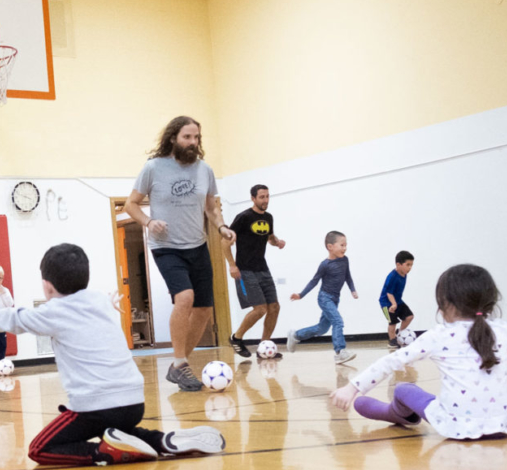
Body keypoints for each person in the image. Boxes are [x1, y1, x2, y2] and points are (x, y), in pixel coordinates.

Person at [0, 243, 226, 465]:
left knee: (40, 448)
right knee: (116, 430)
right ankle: (162, 441)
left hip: (95, 408)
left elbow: (12, 318)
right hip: (134, 403)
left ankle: (105, 454)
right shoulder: (99, 301)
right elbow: (101, 301)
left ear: (47, 285)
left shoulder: (53, 312)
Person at [329, 263, 507, 438]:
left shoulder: (437, 335)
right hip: (504, 422)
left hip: (453, 426)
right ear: (489, 302)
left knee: (403, 389)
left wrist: (353, 388)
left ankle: (395, 414)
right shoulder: (501, 329)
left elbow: (390, 362)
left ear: (444, 304)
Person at [125, 116, 235, 392]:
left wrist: (221, 226)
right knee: (185, 297)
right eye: (187, 137)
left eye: (196, 137)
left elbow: (211, 207)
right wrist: (149, 222)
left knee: (204, 309)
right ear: (173, 138)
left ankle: (178, 365)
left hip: (197, 245)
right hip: (165, 246)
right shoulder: (153, 168)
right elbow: (131, 204)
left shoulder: (204, 170)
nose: (193, 143)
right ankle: (180, 362)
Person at [222, 184, 286, 358]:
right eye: (261, 197)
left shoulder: (269, 218)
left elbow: (270, 237)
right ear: (253, 198)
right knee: (260, 309)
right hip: (244, 270)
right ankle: (236, 338)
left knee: (274, 307)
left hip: (263, 269)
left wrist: (277, 242)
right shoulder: (243, 217)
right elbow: (225, 241)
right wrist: (232, 265)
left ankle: (264, 346)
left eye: (267, 197)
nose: (265, 200)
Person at [286, 231, 359, 364]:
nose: (345, 248)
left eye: (346, 245)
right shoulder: (324, 265)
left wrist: (352, 289)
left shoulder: (345, 260)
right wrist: (301, 294)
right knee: (338, 321)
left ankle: (296, 335)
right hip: (325, 298)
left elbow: (348, 276)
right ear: (330, 247)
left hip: (336, 298)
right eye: (342, 245)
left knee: (322, 329)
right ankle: (340, 352)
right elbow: (314, 281)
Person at [380, 251, 415, 348]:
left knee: (409, 316)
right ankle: (392, 341)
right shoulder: (392, 276)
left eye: (411, 265)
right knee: (392, 322)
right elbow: (389, 292)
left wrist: (396, 303)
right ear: (398, 264)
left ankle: (399, 334)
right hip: (386, 303)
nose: (410, 268)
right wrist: (394, 304)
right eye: (407, 265)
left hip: (397, 301)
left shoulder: (404, 274)